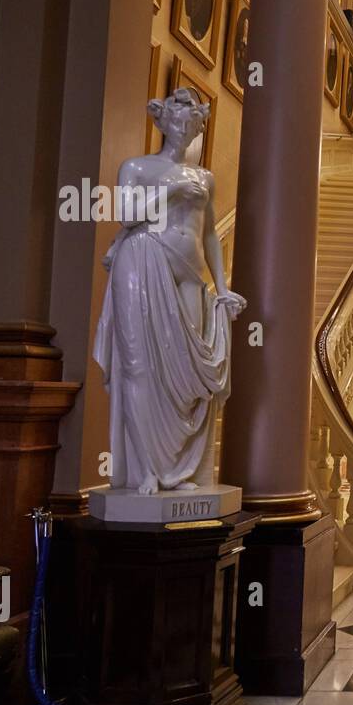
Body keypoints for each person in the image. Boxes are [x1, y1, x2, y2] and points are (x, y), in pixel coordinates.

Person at [94, 89, 246, 495]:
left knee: (188, 379)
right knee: (140, 366)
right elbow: (126, 216)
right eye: (178, 120)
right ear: (161, 122)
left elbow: (211, 234)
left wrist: (224, 287)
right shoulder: (137, 168)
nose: (186, 129)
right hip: (142, 262)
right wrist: (171, 191)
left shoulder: (205, 178)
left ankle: (179, 470)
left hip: (190, 273)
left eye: (193, 123)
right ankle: (146, 469)